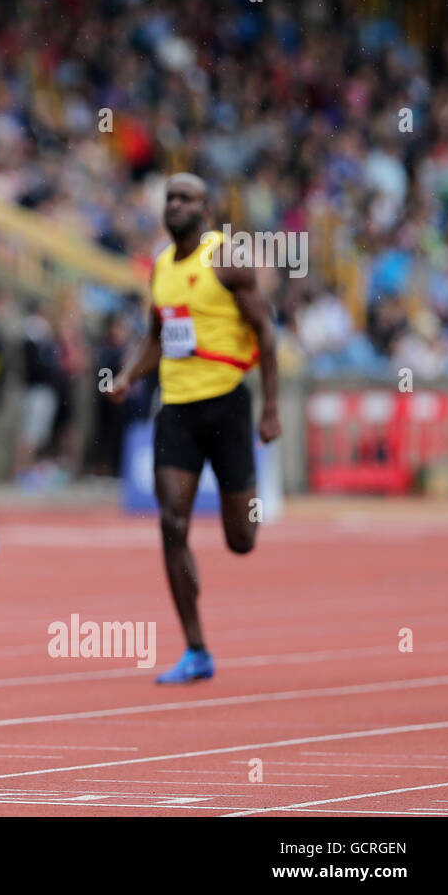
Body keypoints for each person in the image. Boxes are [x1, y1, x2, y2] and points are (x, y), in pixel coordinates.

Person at [110, 173, 281, 683]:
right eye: (171, 198)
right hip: (178, 408)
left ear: (206, 209)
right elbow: (158, 338)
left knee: (241, 538)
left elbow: (266, 333)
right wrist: (126, 378)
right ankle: (196, 647)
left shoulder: (226, 259)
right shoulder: (160, 267)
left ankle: (238, 526)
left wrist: (270, 409)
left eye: (187, 198)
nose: (177, 205)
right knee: (172, 524)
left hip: (227, 404)